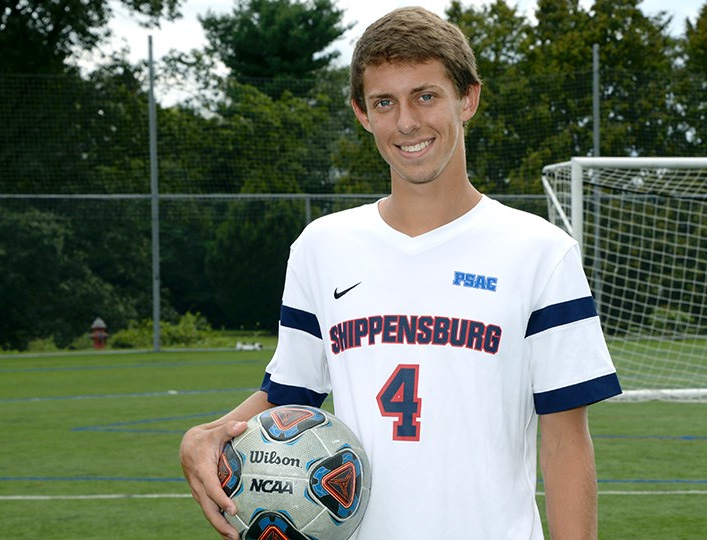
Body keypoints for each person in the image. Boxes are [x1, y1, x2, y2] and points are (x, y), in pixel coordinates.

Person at [179, 6, 622, 540]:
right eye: (384, 102)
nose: (407, 122)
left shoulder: (540, 252)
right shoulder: (321, 247)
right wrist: (204, 436)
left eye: (426, 96)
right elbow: (288, 398)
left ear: (468, 98)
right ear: (362, 112)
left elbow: (564, 439)